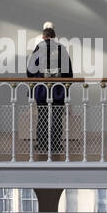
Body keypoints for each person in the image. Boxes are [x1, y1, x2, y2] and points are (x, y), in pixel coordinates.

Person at [26, 22, 73, 154]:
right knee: (57, 117)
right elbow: (68, 72)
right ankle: (56, 145)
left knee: (42, 116)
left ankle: (42, 144)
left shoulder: (38, 49)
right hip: (58, 90)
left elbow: (30, 70)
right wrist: (66, 88)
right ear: (54, 36)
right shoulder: (61, 49)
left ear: (43, 37)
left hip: (41, 89)